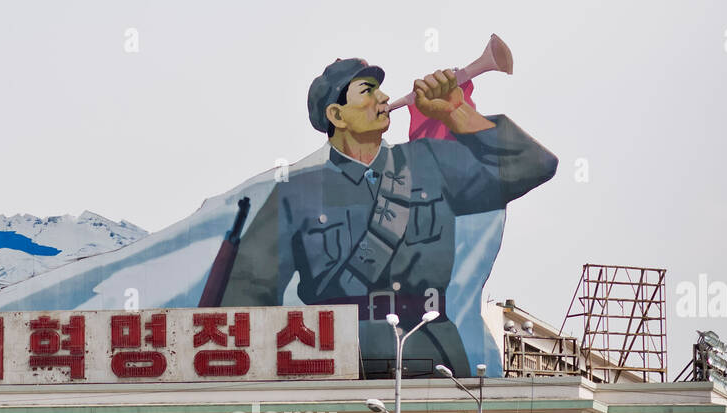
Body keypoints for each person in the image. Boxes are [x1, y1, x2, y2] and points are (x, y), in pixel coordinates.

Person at [221, 56, 558, 377]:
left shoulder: (430, 162)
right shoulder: (296, 194)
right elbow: (244, 295)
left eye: (380, 89)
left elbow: (534, 165)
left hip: (433, 355)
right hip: (334, 363)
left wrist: (458, 113)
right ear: (337, 115)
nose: (383, 97)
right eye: (367, 91)